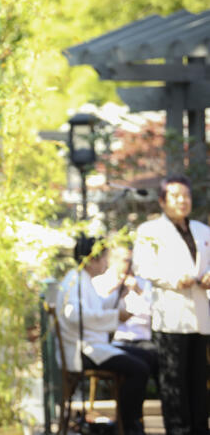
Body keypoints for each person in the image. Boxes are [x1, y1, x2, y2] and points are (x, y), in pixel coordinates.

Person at [133, 175, 210, 435]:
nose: (182, 201)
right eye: (176, 196)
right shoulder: (149, 231)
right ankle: (178, 431)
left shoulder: (202, 230)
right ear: (163, 201)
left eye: (186, 196)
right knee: (173, 382)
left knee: (199, 382)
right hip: (171, 318)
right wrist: (174, 279)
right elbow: (142, 266)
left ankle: (200, 429)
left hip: (200, 316)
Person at [56, 236, 151, 435]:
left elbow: (96, 307)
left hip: (94, 345)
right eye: (104, 258)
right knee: (138, 369)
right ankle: (127, 425)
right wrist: (115, 315)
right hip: (83, 350)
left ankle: (129, 422)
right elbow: (75, 316)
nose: (107, 263)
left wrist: (118, 297)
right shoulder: (75, 282)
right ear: (92, 259)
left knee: (149, 358)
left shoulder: (83, 280)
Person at [91, 244, 158, 378]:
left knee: (156, 357)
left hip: (140, 338)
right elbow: (98, 311)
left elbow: (153, 312)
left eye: (132, 260)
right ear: (113, 261)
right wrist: (114, 291)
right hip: (114, 339)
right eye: (126, 260)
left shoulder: (143, 283)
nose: (130, 265)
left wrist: (139, 291)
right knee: (135, 365)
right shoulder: (100, 282)